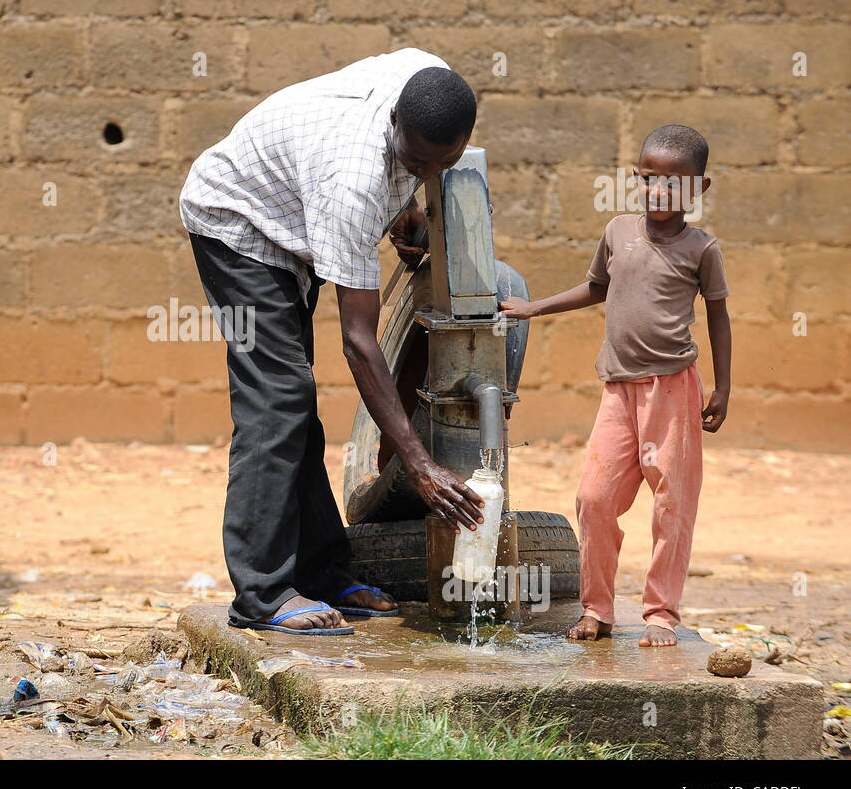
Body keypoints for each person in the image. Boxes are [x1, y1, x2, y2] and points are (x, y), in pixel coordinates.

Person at [179, 49, 487, 636]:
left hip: (295, 207)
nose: (425, 171)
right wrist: (419, 466)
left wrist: (409, 213)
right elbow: (358, 342)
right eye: (414, 160)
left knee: (294, 403)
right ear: (394, 122)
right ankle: (262, 595)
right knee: (276, 401)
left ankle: (319, 573)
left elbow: (418, 168)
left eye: (440, 163)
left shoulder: (430, 79)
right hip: (238, 222)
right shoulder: (352, 180)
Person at [498, 125, 732, 648]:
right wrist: (535, 307)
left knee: (672, 502)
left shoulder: (702, 249)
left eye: (676, 183)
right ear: (636, 178)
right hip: (618, 389)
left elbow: (719, 316)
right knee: (594, 497)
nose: (660, 192)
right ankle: (596, 608)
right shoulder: (618, 232)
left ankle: (660, 612)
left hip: (673, 389)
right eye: (650, 180)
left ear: (700, 188)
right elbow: (597, 288)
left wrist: (723, 388)